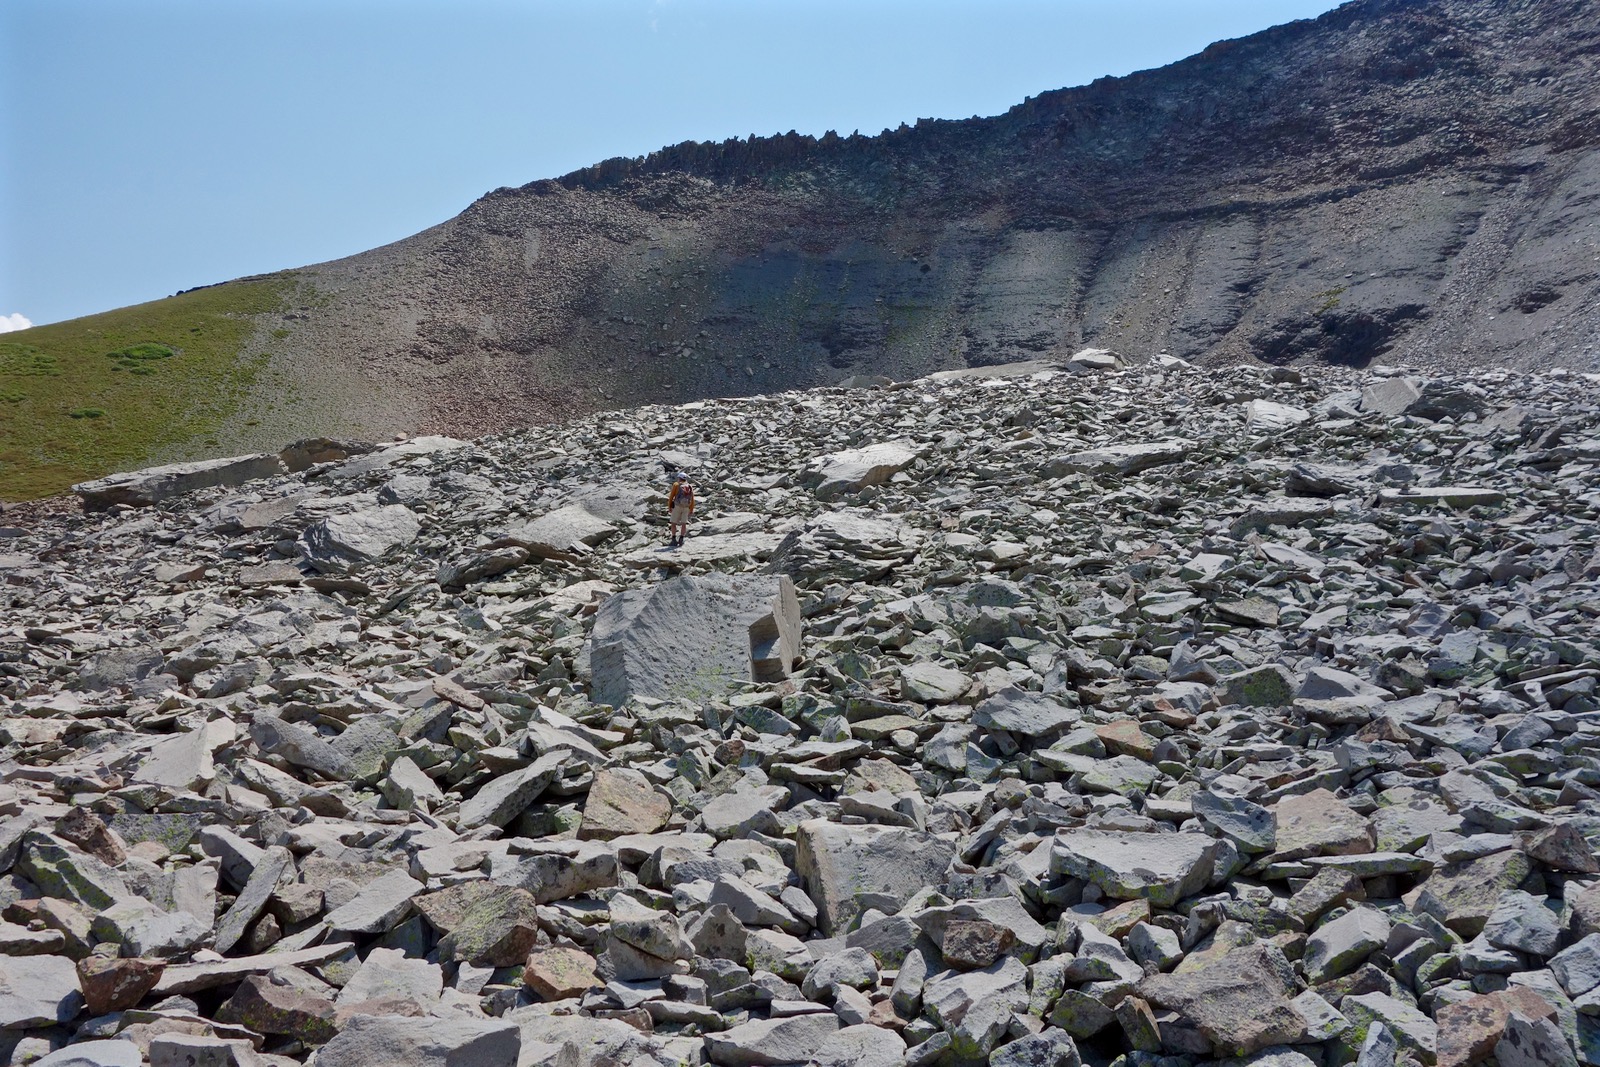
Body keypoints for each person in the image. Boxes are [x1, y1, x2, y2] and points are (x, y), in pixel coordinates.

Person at [667, 473, 695, 547]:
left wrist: (669, 506)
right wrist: (691, 509)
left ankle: (673, 539)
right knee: (683, 524)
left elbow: (671, 496)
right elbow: (692, 498)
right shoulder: (689, 486)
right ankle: (681, 539)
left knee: (673, 523)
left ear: (679, 478)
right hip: (686, 507)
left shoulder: (676, 485)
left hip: (677, 506)